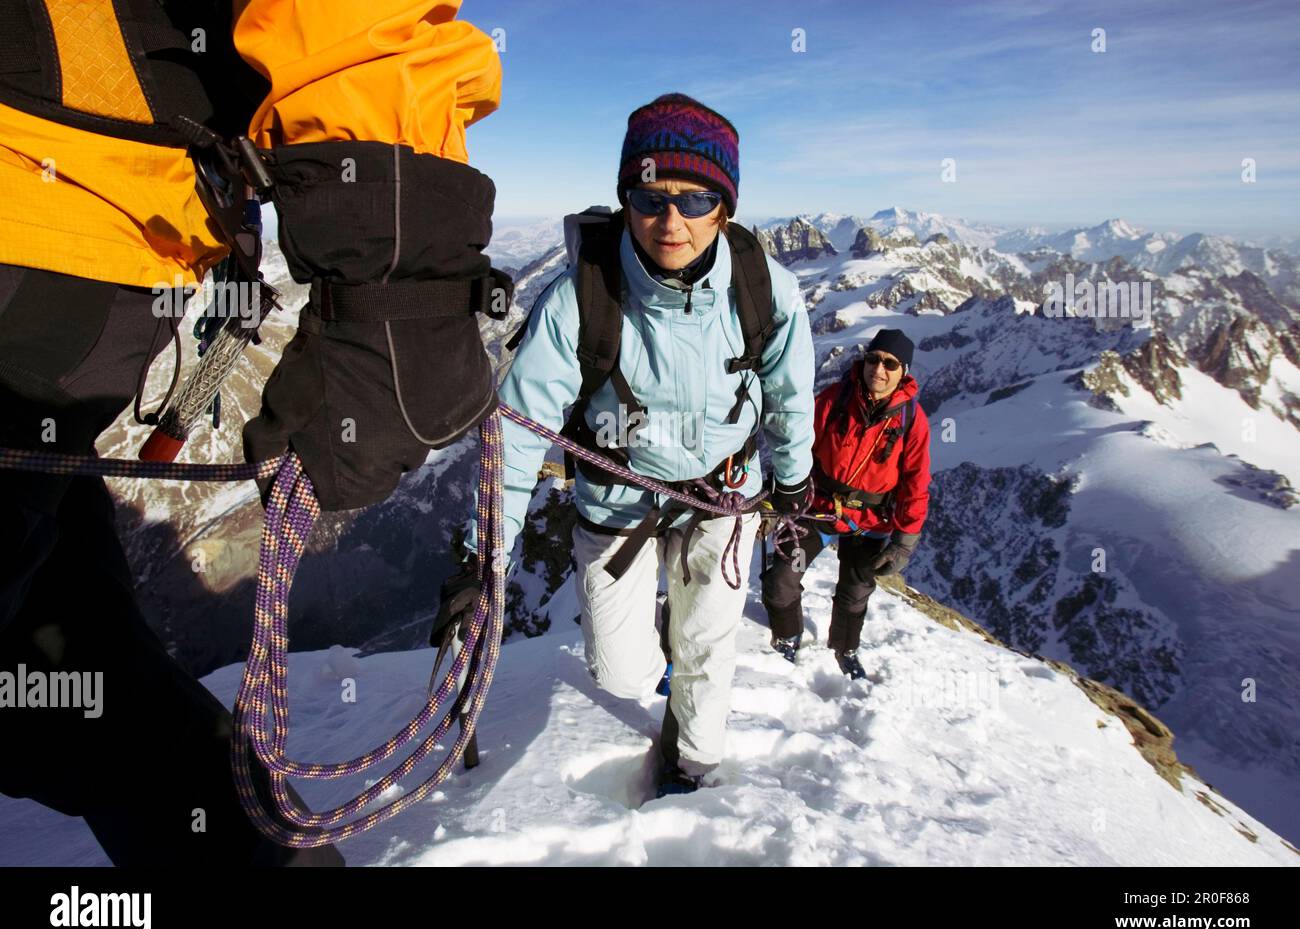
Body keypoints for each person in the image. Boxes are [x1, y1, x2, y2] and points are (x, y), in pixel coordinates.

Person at [0, 0, 503, 865]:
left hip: (53, 217)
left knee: (64, 669)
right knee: (68, 668)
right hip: (71, 224)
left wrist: (400, 281)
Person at [433, 93, 815, 797]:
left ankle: (693, 768)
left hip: (722, 496)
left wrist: (792, 485)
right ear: (626, 199)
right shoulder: (583, 296)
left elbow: (790, 397)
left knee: (707, 647)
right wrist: (482, 557)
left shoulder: (767, 291)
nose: (671, 221)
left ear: (724, 208)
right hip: (617, 506)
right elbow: (518, 432)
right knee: (622, 673)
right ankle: (661, 652)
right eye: (650, 197)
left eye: (696, 200)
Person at [760, 330, 931, 679]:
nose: (878, 369)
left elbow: (916, 482)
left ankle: (844, 646)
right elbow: (797, 448)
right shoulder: (835, 398)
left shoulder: (912, 421)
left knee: (855, 593)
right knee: (781, 579)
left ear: (904, 371)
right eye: (873, 359)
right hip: (817, 507)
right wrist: (777, 495)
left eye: (890, 363)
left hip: (869, 521)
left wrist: (904, 542)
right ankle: (787, 634)